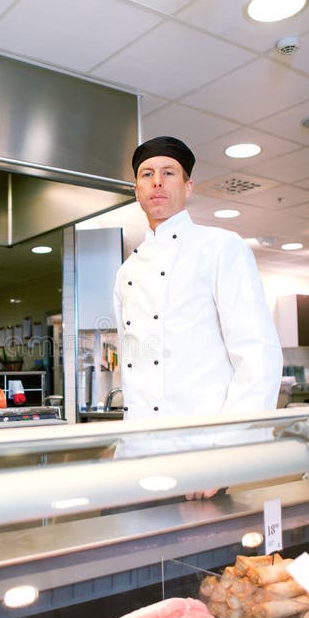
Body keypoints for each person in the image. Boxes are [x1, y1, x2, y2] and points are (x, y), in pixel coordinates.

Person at [113, 135, 283, 498]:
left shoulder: (221, 247)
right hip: (134, 463)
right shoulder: (126, 271)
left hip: (200, 464)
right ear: (136, 189)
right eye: (147, 174)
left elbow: (258, 356)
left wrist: (224, 459)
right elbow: (136, 364)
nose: (157, 181)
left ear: (188, 186)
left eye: (169, 172)